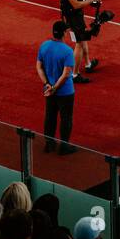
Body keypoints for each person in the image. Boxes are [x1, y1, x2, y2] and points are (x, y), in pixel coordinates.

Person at [36, 21, 76, 155]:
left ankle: (49, 144)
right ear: (64, 33)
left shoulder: (44, 46)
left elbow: (39, 67)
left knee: (50, 116)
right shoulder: (68, 51)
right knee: (66, 119)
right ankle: (64, 146)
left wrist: (47, 84)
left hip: (49, 90)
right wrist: (55, 87)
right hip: (65, 92)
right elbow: (66, 74)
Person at [56, 0, 100, 83]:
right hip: (72, 16)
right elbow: (76, 5)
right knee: (79, 42)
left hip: (75, 15)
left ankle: (88, 64)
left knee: (83, 38)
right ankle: (75, 74)